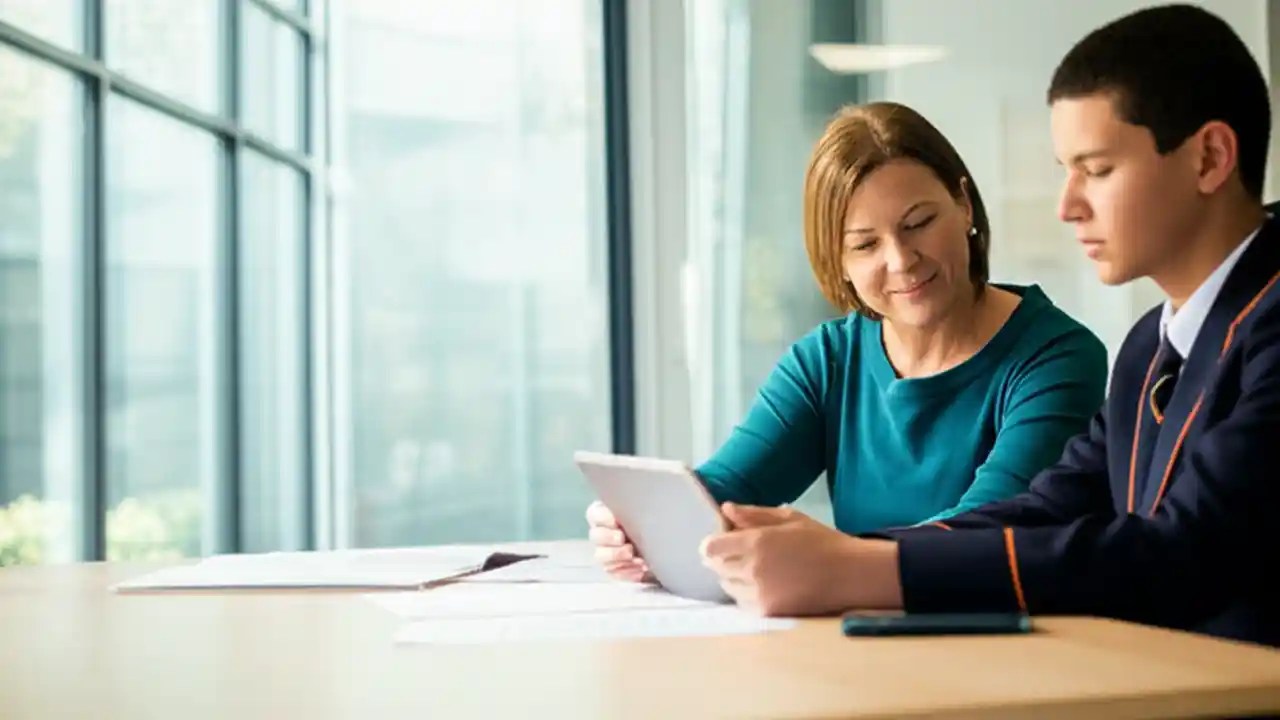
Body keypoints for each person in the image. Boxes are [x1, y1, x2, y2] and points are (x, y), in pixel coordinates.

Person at [698, 4, 1280, 648]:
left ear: (1210, 158)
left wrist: (854, 568)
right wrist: (840, 558)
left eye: (1098, 170)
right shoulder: (1151, 344)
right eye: (1066, 172)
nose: (1067, 205)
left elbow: (1178, 552)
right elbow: (1046, 510)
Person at [589, 100, 1107, 586]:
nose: (902, 260)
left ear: (964, 206)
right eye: (865, 245)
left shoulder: (1057, 358)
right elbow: (725, 494)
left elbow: (989, 527)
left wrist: (828, 557)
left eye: (919, 224)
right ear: (839, 262)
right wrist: (642, 524)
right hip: (861, 640)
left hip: (1008, 649)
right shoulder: (827, 361)